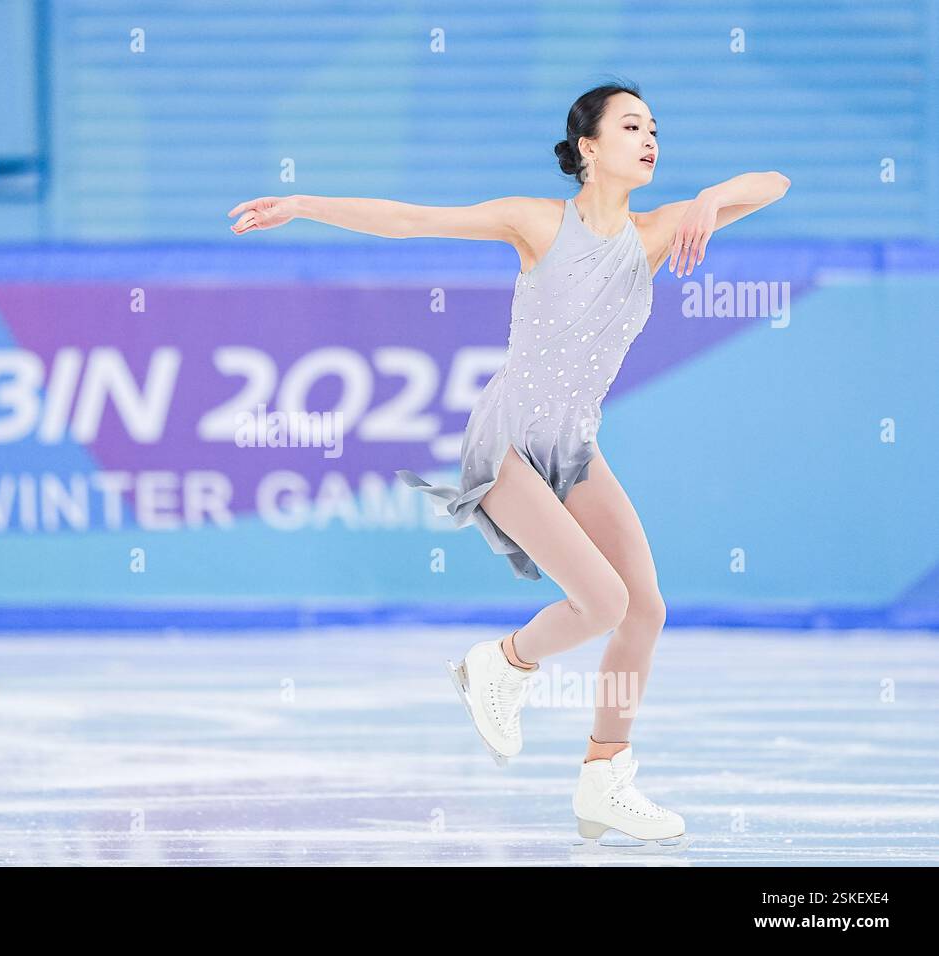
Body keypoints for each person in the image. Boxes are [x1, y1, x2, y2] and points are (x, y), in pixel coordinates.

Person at [228, 82, 790, 847]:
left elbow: (776, 183)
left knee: (645, 609)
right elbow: (411, 220)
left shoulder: (657, 233)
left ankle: (604, 777)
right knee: (603, 601)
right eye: (631, 126)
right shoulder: (537, 222)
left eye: (655, 128)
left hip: (574, 446)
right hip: (509, 441)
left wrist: (713, 199)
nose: (650, 139)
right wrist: (302, 204)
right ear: (589, 147)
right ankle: (500, 665)